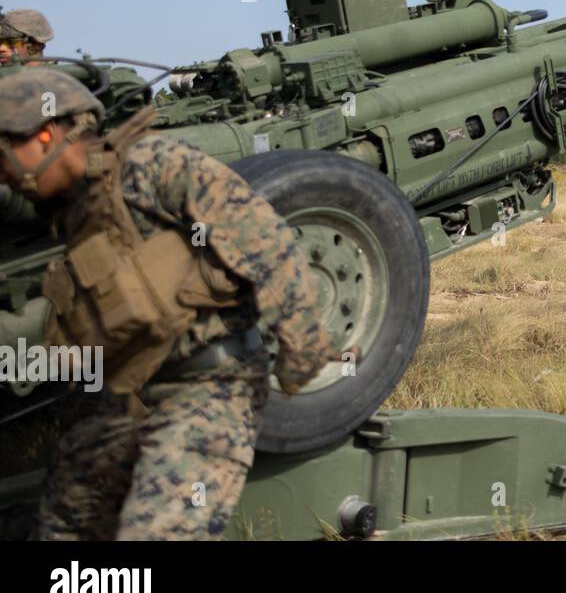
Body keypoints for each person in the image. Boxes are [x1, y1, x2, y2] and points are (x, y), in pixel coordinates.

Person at [0, 68, 336, 540]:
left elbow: (266, 241)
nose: (4, 176)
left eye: (2, 155)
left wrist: (301, 351)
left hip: (210, 390)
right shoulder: (80, 210)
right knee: (62, 525)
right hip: (129, 400)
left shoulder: (151, 163)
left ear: (44, 134)